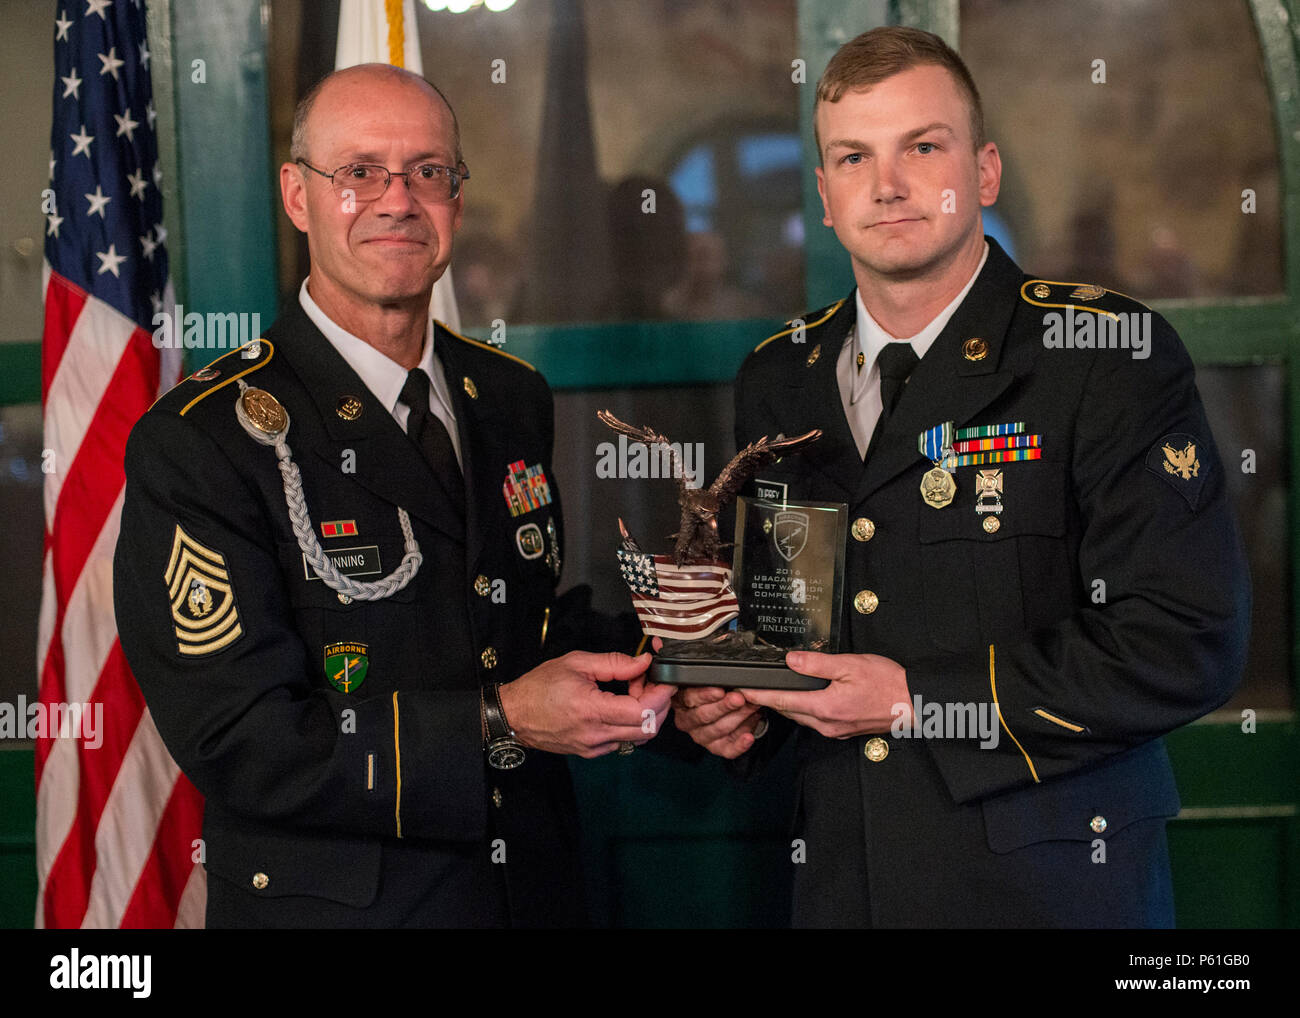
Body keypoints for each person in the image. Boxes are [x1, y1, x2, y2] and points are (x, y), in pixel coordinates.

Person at [672, 26, 1250, 928]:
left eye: (922, 146)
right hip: (843, 883)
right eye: (853, 157)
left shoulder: (1099, 356)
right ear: (824, 195)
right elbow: (795, 617)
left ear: (983, 172)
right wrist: (733, 710)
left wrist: (914, 701)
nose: (888, 185)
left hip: (1048, 888)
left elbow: (1185, 641)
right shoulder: (778, 377)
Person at [113, 64, 672, 928]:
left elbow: (517, 624)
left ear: (455, 197)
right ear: (298, 196)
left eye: (429, 172)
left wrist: (689, 661)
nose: (398, 200)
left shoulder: (508, 395)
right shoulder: (203, 438)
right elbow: (243, 742)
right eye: (360, 172)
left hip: (532, 892)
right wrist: (503, 722)